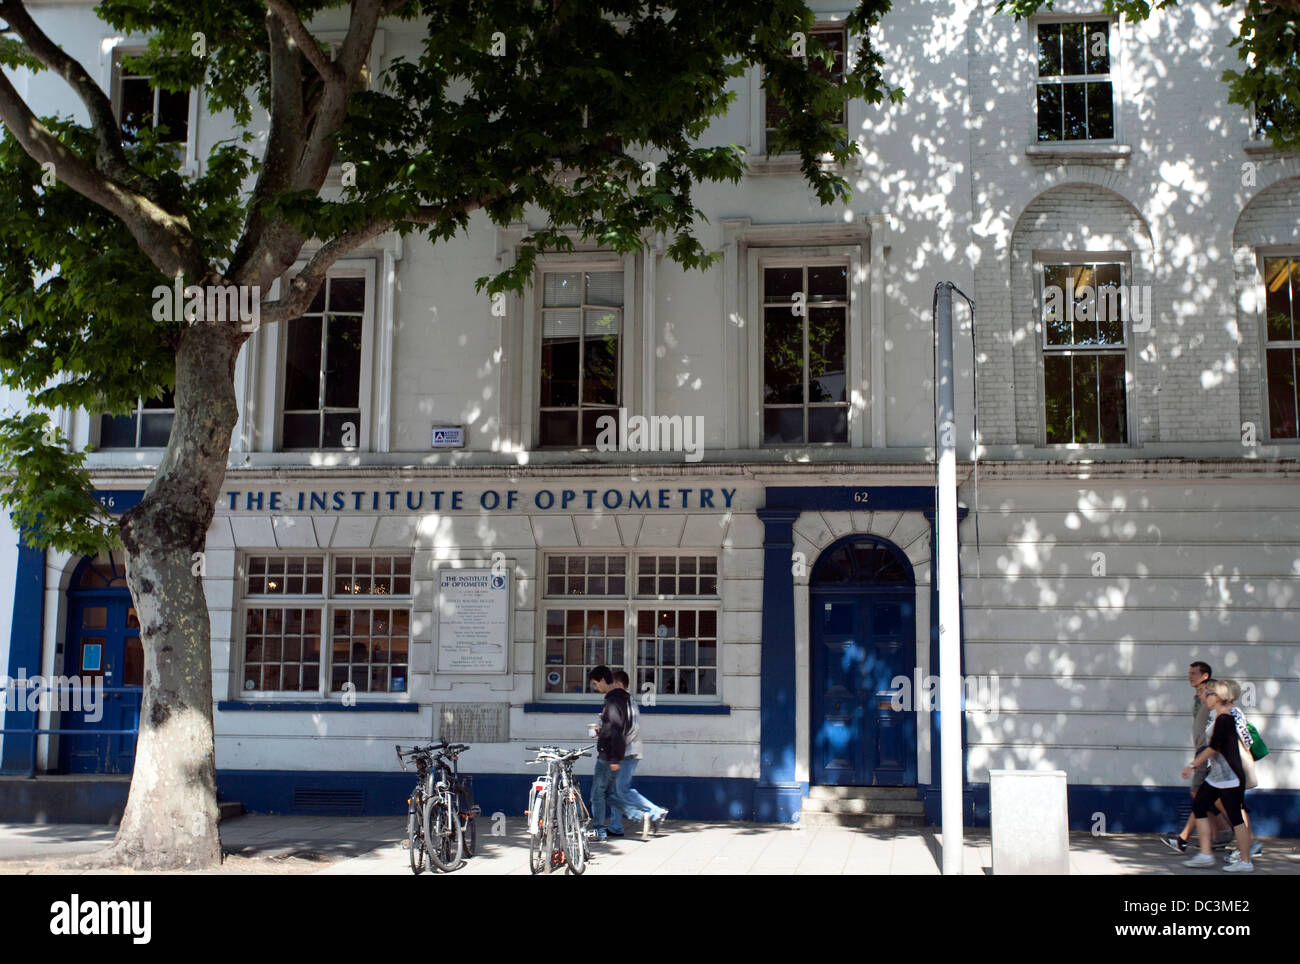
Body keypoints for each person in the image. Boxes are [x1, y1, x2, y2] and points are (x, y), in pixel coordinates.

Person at [1179, 680, 1255, 872]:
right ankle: (1205, 855)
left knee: (1235, 817)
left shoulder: (1225, 719)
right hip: (1217, 776)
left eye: (1209, 694)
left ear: (1219, 697)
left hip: (1230, 776)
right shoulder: (1219, 716)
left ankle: (1246, 861)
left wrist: (1192, 765)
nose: (1205, 697)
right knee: (1200, 806)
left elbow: (1213, 748)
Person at [1161, 661, 1231, 853]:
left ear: (1205, 676)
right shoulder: (1198, 697)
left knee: (1199, 794)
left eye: (1194, 673)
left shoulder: (1210, 694)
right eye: (1189, 673)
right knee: (1206, 795)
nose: (1189, 676)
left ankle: (1185, 838)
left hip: (1207, 750)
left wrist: (1204, 753)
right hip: (1203, 749)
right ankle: (1223, 833)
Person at [586, 665, 650, 841]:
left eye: (594, 683)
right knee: (610, 793)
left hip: (608, 754)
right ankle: (639, 815)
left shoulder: (613, 701)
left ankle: (599, 829)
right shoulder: (622, 699)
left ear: (603, 680)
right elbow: (615, 727)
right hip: (613, 753)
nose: (594, 687)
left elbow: (616, 729)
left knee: (597, 793)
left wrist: (614, 757)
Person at [608, 670, 668, 836]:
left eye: (611, 684)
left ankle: (656, 812)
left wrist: (620, 746)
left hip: (628, 752)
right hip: (624, 751)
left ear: (619, 685)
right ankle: (615, 826)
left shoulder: (626, 702)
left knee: (622, 790)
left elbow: (633, 728)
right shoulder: (623, 701)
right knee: (614, 789)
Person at [1222, 679, 1264, 866]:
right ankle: (1247, 844)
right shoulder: (1236, 712)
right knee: (1235, 805)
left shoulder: (1229, 713)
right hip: (1236, 765)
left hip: (1233, 766)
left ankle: (1246, 847)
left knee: (1235, 806)